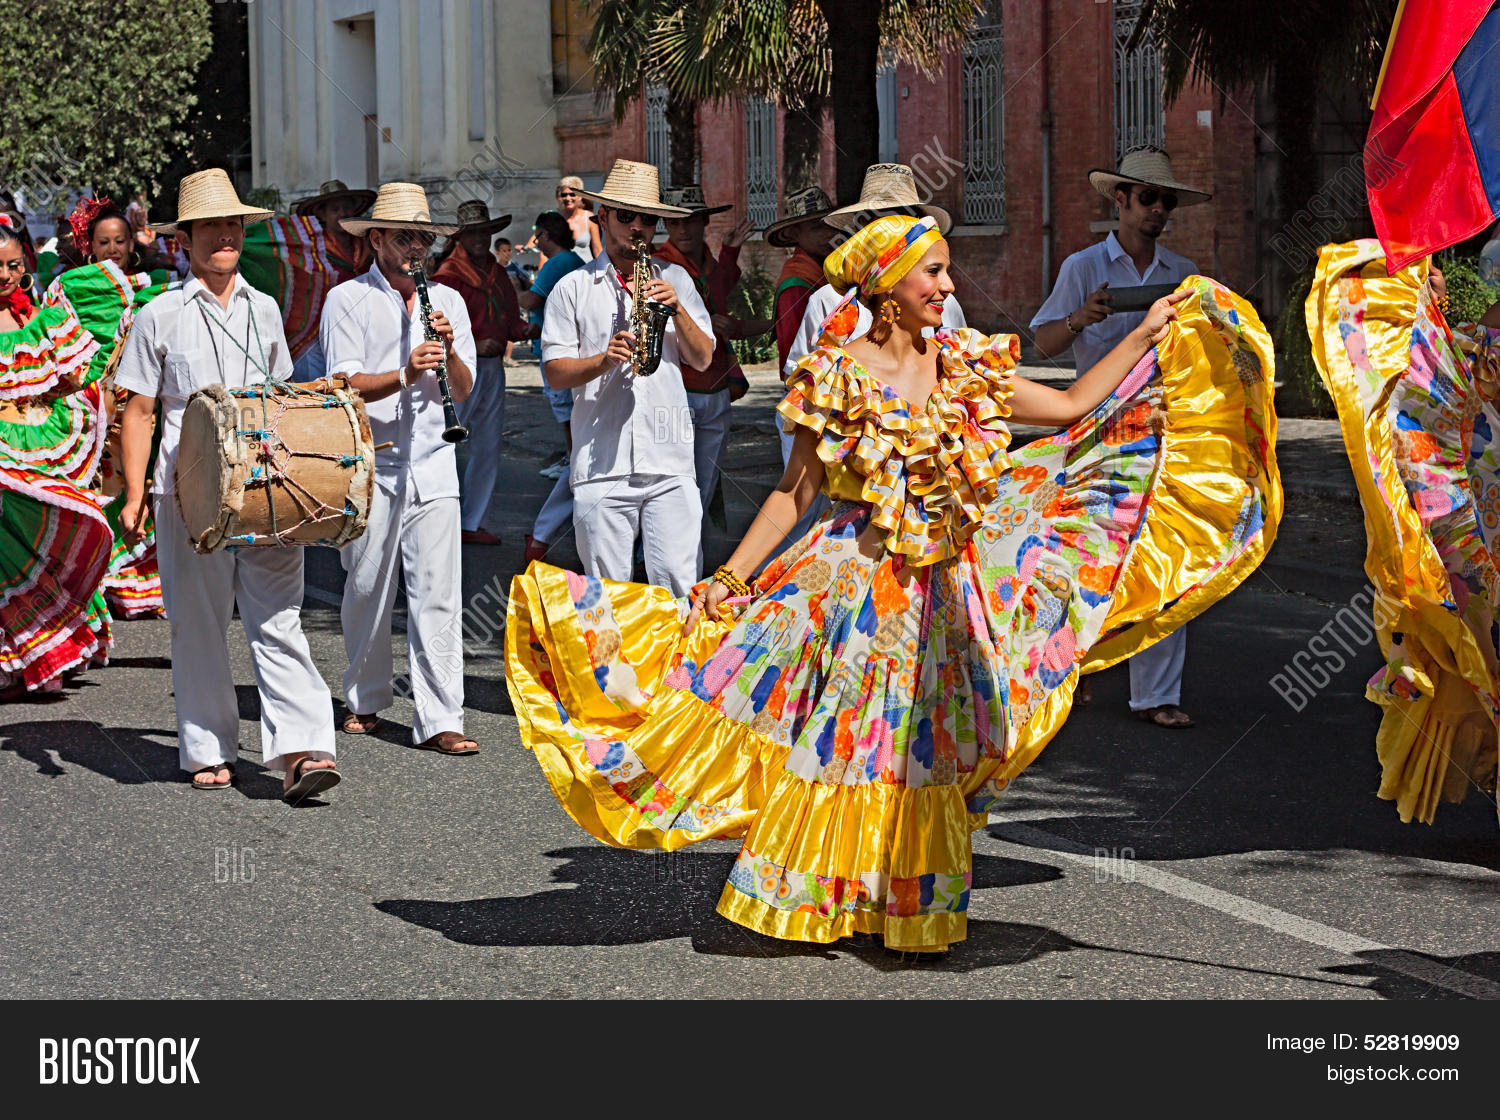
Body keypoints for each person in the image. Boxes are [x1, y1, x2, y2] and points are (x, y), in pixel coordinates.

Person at [506, 214, 1281, 953]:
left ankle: (909, 904)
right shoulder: (839, 373)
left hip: (942, 595)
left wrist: (1148, 334)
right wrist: (732, 575)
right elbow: (793, 493)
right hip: (852, 593)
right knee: (854, 744)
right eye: (932, 272)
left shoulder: (964, 366)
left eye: (946, 271)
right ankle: (826, 897)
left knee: (920, 747)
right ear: (888, 285)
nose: (947, 286)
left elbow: (1073, 407)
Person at [114, 169, 340, 798]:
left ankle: (303, 750)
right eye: (211, 226)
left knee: (280, 618)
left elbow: (280, 395)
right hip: (187, 492)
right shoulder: (158, 315)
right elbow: (137, 410)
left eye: (233, 225)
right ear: (184, 239)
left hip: (265, 487)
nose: (224, 236)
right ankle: (208, 747)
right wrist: (134, 495)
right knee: (198, 619)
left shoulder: (264, 310)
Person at [1030, 146, 1210, 730]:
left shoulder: (1182, 274)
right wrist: (1083, 316)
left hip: (1163, 429)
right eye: (1150, 198)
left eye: (1168, 201)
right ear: (1121, 199)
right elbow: (1045, 344)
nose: (1160, 210)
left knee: (1163, 555)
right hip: (1094, 428)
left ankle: (1157, 695)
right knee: (1082, 559)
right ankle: (1066, 674)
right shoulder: (1083, 267)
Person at [320, 181, 481, 756]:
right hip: (373, 463)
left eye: (424, 238)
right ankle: (365, 695)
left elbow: (465, 388)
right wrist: (406, 374)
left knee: (438, 592)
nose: (417, 247)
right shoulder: (347, 300)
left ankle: (442, 716)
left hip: (435, 462)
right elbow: (343, 385)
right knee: (366, 586)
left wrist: (450, 352)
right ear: (379, 239)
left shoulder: (450, 302)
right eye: (406, 237)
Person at [772, 164, 967, 563]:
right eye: (881, 220)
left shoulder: (945, 305)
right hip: (852, 511)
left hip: (933, 512)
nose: (896, 229)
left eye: (906, 217)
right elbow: (801, 385)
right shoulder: (827, 303)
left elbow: (964, 386)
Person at [539, 159, 714, 597]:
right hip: (602, 463)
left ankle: (674, 669)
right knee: (606, 597)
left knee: (679, 589)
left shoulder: (675, 279)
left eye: (647, 218)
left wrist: (678, 311)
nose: (638, 226)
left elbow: (705, 358)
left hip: (669, 460)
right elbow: (556, 372)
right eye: (626, 216)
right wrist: (603, 361)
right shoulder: (573, 288)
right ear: (602, 217)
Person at [44, 197, 174, 621]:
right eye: (104, 242)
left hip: (140, 404)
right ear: (89, 246)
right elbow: (55, 339)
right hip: (89, 405)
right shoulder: (68, 288)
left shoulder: (155, 285)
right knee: (101, 489)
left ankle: (143, 585)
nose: (113, 249)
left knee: (147, 484)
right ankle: (101, 579)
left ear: (132, 244)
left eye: (120, 240)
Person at [0, 213, 111, 699]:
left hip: (39, 447)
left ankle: (53, 647)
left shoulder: (38, 318)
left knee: (47, 540)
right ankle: (17, 658)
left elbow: (68, 376)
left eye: (13, 265)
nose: (5, 275)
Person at [655, 184, 763, 535]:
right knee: (672, 480)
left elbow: (717, 293)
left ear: (704, 223)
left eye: (693, 221)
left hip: (715, 384)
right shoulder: (658, 266)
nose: (684, 230)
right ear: (666, 226)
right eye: (676, 223)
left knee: (705, 480)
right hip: (677, 387)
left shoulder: (706, 261)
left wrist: (731, 251)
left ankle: (689, 558)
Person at [434, 200, 536, 545]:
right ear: (461, 237)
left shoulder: (495, 271)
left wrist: (527, 331)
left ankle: (472, 522)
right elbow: (438, 328)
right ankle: (438, 517)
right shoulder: (447, 277)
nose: (479, 238)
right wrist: (473, 346)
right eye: (472, 232)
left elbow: (510, 318)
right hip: (459, 367)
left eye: (483, 231)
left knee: (489, 445)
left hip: (492, 370)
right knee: (442, 440)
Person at [519, 210, 586, 565]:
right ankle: (544, 535)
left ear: (545, 236)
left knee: (580, 451)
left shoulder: (558, 262)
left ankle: (544, 535)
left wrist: (508, 287)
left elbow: (531, 300)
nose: (536, 243)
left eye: (538, 237)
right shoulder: (575, 262)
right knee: (582, 452)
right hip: (573, 358)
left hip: (566, 358)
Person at [286, 179, 377, 382]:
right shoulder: (309, 248)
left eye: (347, 207)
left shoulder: (369, 245)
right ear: (322, 215)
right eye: (335, 209)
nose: (342, 213)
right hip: (317, 335)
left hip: (364, 330)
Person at [764, 186, 839, 376]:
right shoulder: (796, 285)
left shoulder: (826, 269)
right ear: (795, 233)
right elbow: (796, 358)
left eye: (830, 224)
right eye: (816, 228)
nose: (828, 233)